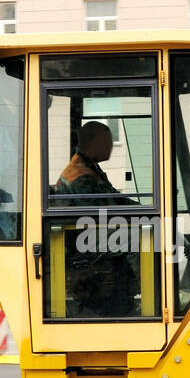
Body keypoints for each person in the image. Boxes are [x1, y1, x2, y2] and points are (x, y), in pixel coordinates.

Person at [51, 120, 137, 317]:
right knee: (141, 237)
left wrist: (144, 210)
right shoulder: (80, 175)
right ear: (96, 142)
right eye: (109, 141)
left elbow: (115, 198)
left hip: (90, 234)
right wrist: (141, 216)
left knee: (142, 230)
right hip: (83, 240)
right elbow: (103, 214)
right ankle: (153, 294)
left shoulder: (89, 168)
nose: (112, 146)